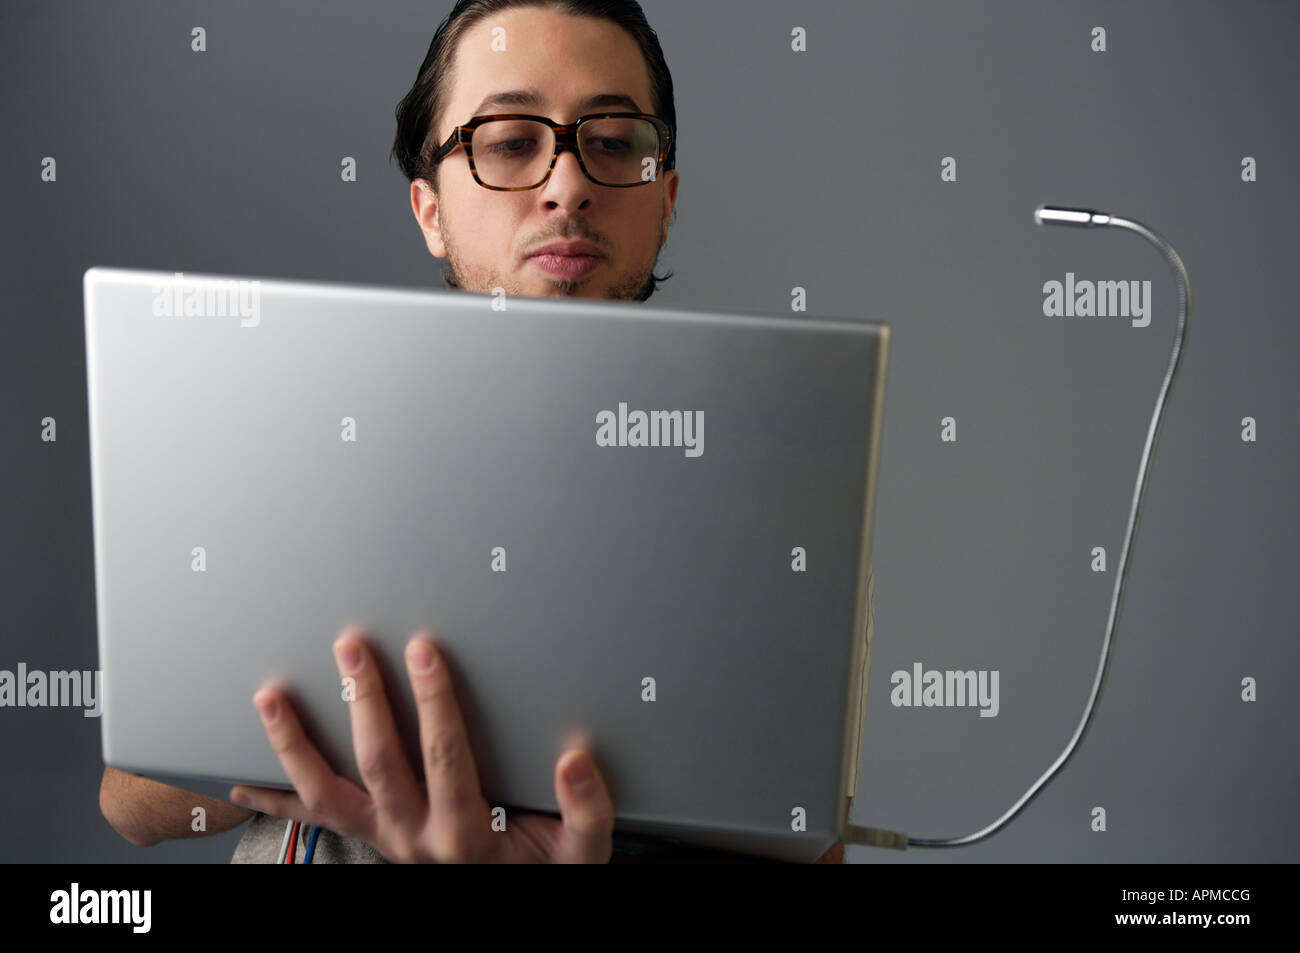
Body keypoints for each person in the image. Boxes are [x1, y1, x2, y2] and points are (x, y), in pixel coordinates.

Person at [100, 0, 862, 864]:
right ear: (429, 210)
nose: (567, 184)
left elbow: (812, 843)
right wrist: (329, 716)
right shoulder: (301, 447)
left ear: (665, 201)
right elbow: (131, 801)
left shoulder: (763, 483)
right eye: (507, 142)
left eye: (614, 143)